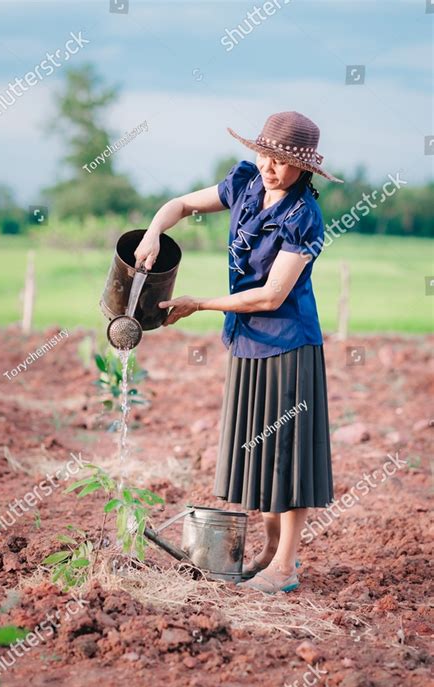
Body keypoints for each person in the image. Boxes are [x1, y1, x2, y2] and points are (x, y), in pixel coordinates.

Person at [134, 111, 344, 594]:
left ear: (304, 168)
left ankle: (286, 567)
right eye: (265, 154)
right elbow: (182, 205)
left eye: (284, 162)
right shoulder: (245, 182)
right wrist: (153, 232)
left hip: (289, 345)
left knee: (288, 457)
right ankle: (271, 555)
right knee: (266, 454)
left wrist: (199, 303)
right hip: (248, 342)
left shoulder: (304, 217)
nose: (271, 167)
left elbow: (271, 295)